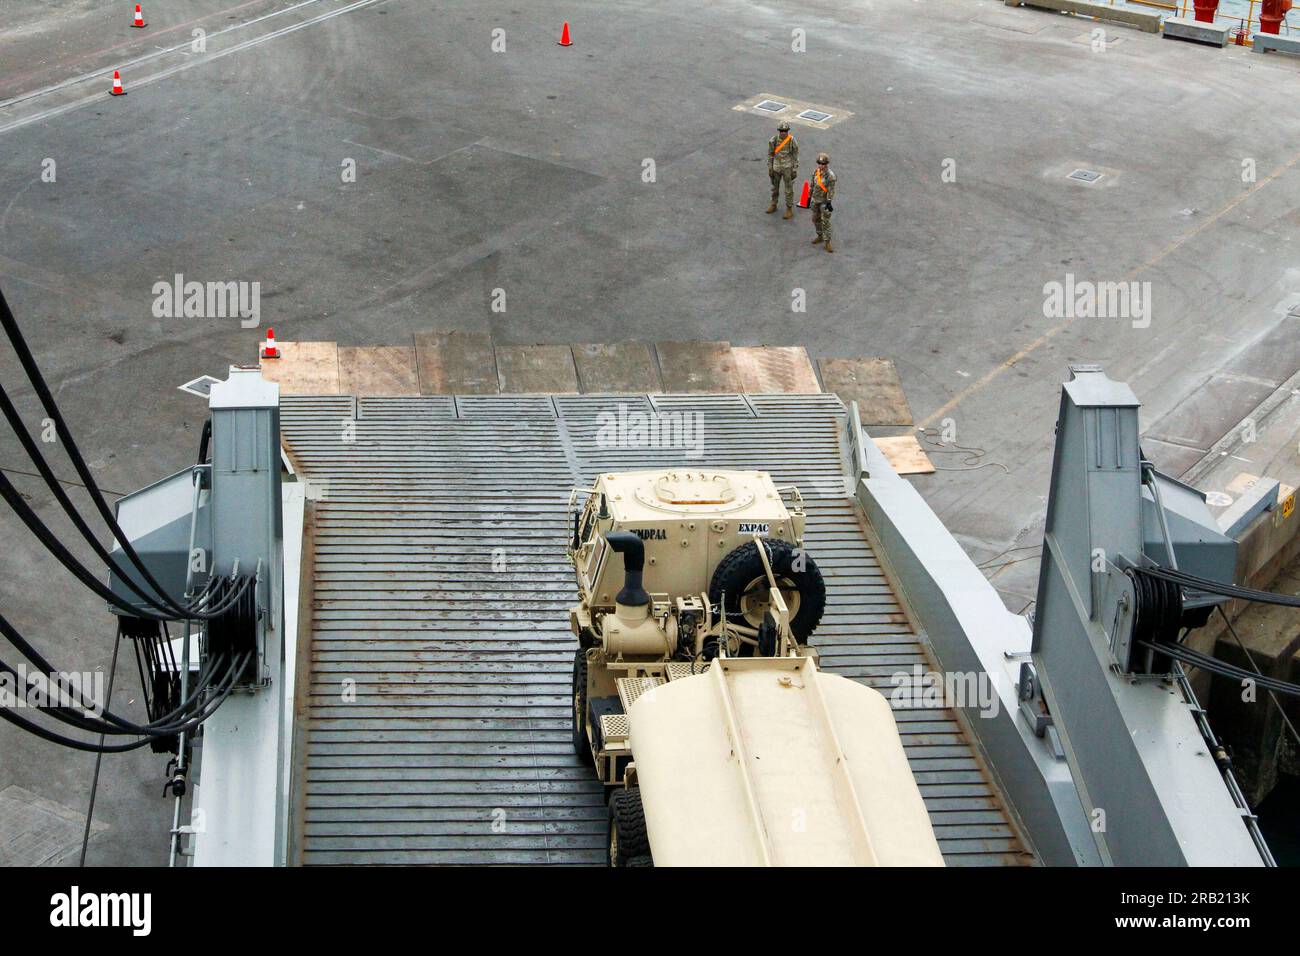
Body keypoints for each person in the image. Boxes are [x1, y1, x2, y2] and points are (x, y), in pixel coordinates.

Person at [766, 121, 799, 220]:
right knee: (774, 188)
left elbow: (795, 155)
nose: (783, 133)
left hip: (787, 167)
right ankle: (773, 204)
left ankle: (789, 208)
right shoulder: (773, 140)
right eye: (781, 131)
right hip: (776, 167)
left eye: (785, 131)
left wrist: (794, 169)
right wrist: (770, 168)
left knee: (788, 189)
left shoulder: (792, 140)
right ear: (779, 131)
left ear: (787, 131)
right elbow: (770, 154)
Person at [809, 152, 836, 253]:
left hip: (824, 202)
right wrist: (809, 196)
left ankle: (827, 242)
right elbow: (812, 185)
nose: (821, 165)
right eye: (819, 163)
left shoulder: (830, 176)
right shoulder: (816, 172)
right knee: (815, 219)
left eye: (823, 163)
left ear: (827, 164)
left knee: (825, 222)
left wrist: (829, 202)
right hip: (815, 200)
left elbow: (831, 190)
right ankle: (819, 235)